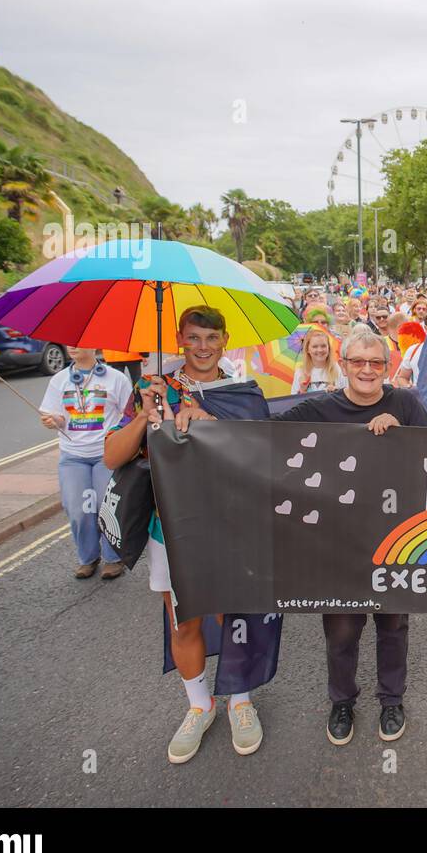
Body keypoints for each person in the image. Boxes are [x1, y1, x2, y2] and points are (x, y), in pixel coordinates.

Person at [103, 306, 272, 764]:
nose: (202, 347)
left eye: (211, 337)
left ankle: (240, 701)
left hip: (231, 524)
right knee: (184, 621)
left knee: (229, 615)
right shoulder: (155, 389)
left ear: (224, 341)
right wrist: (145, 413)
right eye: (194, 337)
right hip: (169, 527)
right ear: (180, 339)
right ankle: (200, 705)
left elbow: (264, 458)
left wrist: (212, 423)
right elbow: (113, 456)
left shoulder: (243, 393)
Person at [269, 330, 427, 744]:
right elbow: (261, 432)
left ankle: (392, 699)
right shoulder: (321, 408)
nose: (366, 370)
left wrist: (404, 434)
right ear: (342, 365)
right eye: (357, 362)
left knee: (393, 623)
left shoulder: (406, 403)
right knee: (341, 628)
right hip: (337, 543)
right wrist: (200, 417)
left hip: (395, 538)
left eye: (375, 363)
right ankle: (342, 701)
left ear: (386, 367)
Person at [38, 346, 133, 580]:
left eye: (78, 342)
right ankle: (88, 558)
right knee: (78, 510)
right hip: (72, 457)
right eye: (68, 342)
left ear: (93, 345)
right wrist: (55, 421)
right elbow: (56, 414)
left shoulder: (116, 379)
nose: (72, 347)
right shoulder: (59, 380)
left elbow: (130, 414)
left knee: (106, 506)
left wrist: (122, 442)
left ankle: (113, 558)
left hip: (106, 455)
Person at [291, 327, 345, 395]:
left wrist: (336, 392)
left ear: (329, 348)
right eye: (315, 347)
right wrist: (302, 390)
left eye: (323, 346)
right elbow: (293, 402)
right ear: (308, 349)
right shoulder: (300, 372)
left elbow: (346, 396)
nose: (320, 350)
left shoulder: (338, 369)